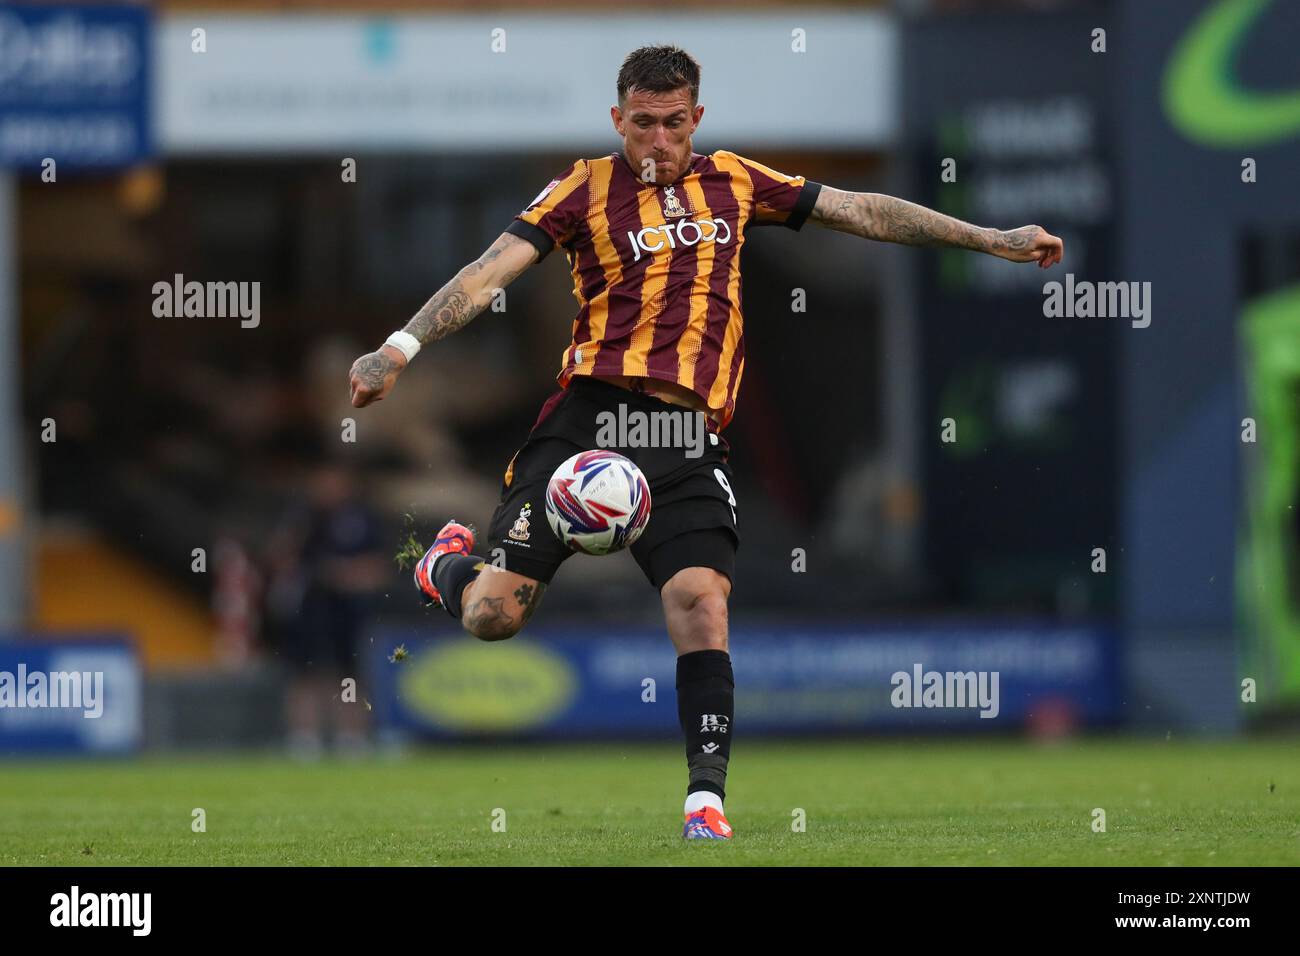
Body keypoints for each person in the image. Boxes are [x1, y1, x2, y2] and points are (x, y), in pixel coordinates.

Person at [347, 45, 1063, 839]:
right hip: (589, 421)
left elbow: (862, 211)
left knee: (701, 602)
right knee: (493, 618)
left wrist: (990, 238)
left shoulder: (736, 181)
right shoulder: (583, 188)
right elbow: (488, 272)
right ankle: (445, 565)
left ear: (696, 119)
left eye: (673, 123)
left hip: (685, 436)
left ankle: (705, 804)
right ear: (617, 120)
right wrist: (398, 349)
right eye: (642, 124)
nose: (658, 140)